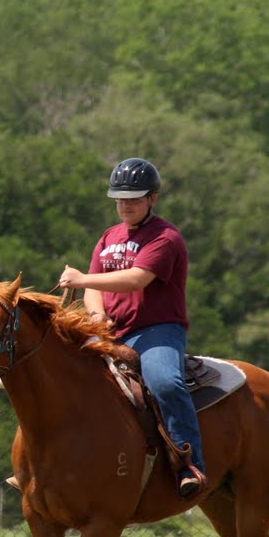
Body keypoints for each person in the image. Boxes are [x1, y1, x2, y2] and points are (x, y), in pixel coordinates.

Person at [59, 156, 208, 499]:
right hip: (113, 331)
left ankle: (189, 464)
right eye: (120, 199)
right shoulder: (108, 237)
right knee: (59, 375)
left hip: (156, 330)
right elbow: (95, 289)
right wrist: (96, 316)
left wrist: (82, 279)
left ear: (152, 198)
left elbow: (136, 279)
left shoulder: (165, 237)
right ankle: (47, 465)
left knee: (165, 382)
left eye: (134, 199)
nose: (125, 206)